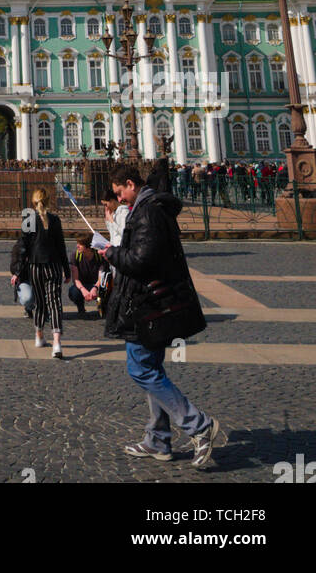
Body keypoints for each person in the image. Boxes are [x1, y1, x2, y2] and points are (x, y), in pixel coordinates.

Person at [99, 164, 220, 467]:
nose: (119, 199)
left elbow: (141, 261)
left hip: (148, 304)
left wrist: (112, 253)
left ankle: (199, 426)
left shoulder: (147, 212)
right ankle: (158, 441)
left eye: (119, 192)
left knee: (140, 369)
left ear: (130, 184)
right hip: (155, 302)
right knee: (152, 369)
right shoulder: (148, 208)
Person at [12, 187, 69, 357]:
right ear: (49, 200)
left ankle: (39, 335)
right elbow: (61, 246)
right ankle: (57, 343)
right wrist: (67, 269)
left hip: (35, 266)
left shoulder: (28, 216)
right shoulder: (55, 219)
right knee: (55, 303)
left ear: (33, 201)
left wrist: (17, 271)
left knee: (40, 303)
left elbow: (23, 247)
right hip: (53, 266)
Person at [68, 232, 101, 317]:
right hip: (82, 285)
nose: (77, 246)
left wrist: (95, 288)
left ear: (88, 247)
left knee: (106, 290)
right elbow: (75, 279)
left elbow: (101, 277)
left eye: (80, 244)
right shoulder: (75, 256)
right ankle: (80, 307)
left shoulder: (99, 256)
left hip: (96, 285)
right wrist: (83, 290)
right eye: (77, 243)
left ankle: (102, 305)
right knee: (74, 292)